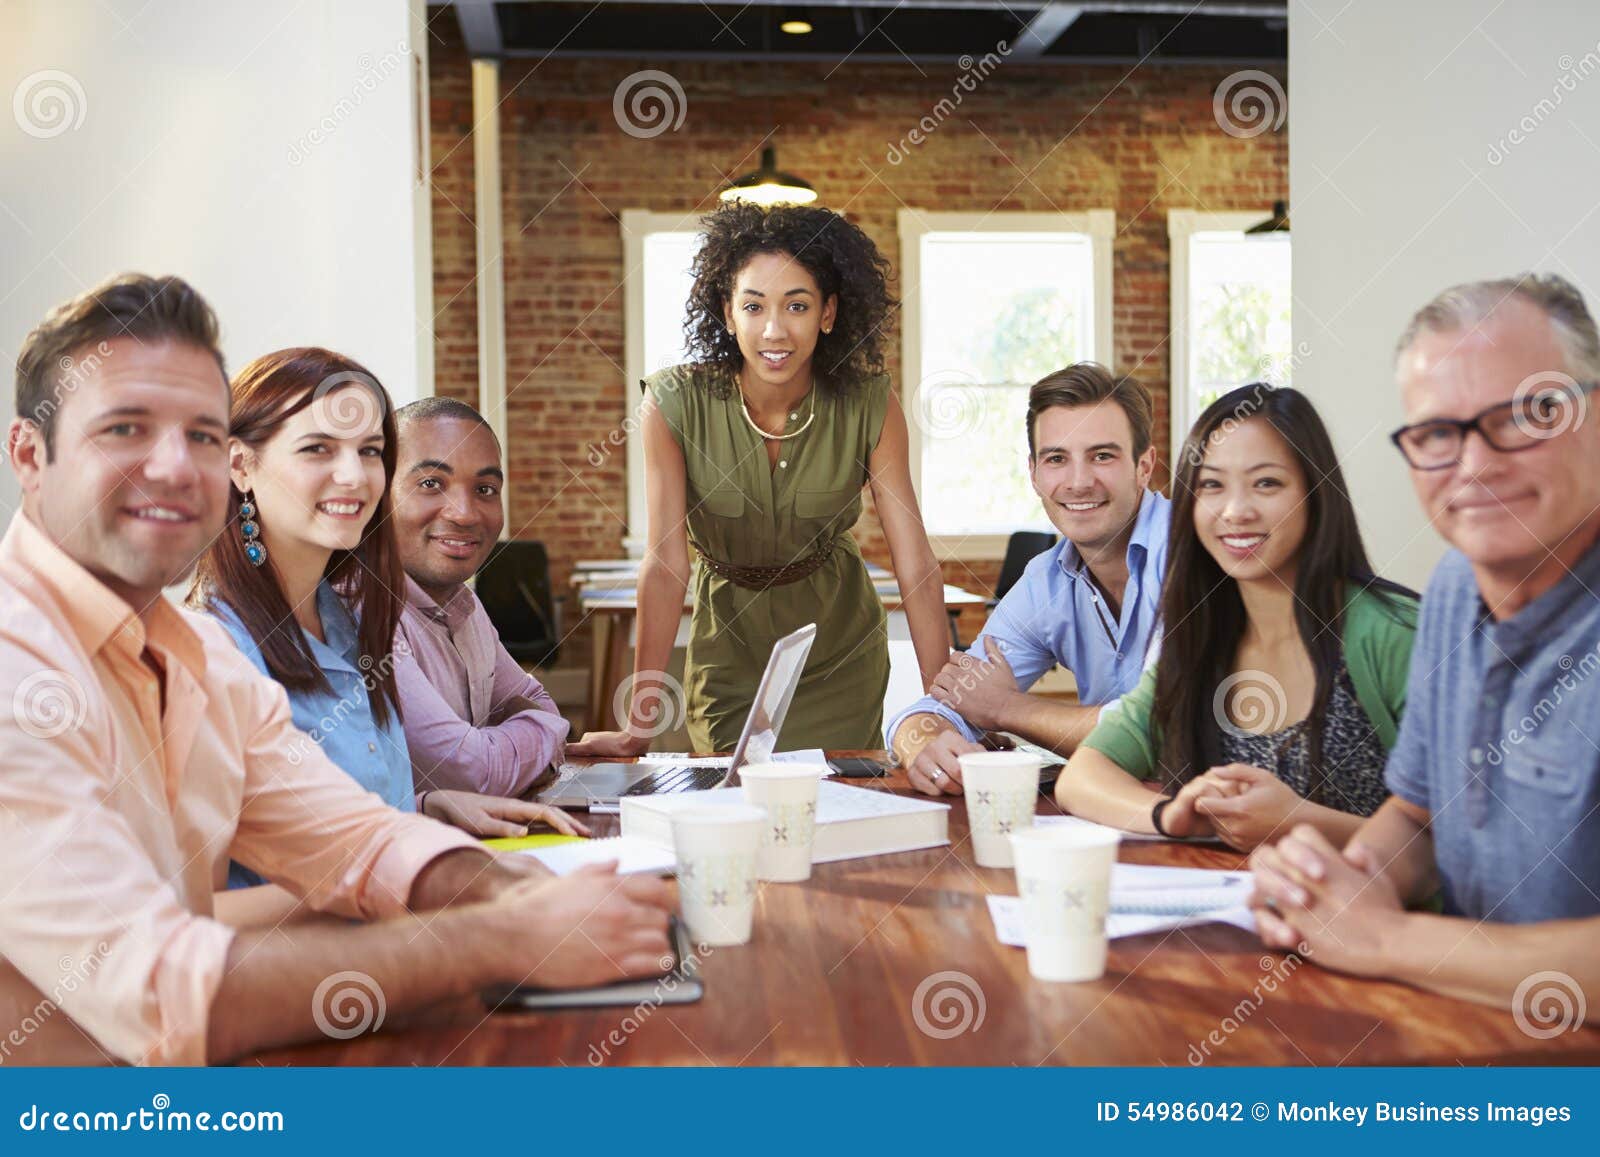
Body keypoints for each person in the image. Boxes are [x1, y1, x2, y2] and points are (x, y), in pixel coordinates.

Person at [0, 274, 672, 1065]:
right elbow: (158, 987)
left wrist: (530, 895)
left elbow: (355, 836)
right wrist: (497, 938)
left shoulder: (194, 652)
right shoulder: (22, 671)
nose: (177, 468)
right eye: (125, 429)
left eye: (204, 435)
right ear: (29, 455)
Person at [1250, 273, 1599, 1021]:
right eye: (1439, 433)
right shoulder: (1450, 587)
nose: (1475, 467)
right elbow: (1419, 816)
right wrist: (1341, 883)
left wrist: (1387, 940)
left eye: (1527, 413)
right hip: (1474, 1033)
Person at [571, 201, 949, 755]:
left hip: (839, 651)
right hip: (729, 650)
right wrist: (639, 728)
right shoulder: (674, 403)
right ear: (728, 314)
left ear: (827, 313)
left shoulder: (871, 403)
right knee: (736, 805)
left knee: (841, 814)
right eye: (754, 306)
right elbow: (665, 562)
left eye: (797, 305)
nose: (774, 330)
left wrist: (946, 710)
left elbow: (914, 561)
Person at [188, 348, 581, 859]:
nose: (354, 476)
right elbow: (200, 906)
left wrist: (424, 806)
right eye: (318, 449)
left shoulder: (349, 622)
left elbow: (341, 811)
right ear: (241, 465)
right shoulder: (214, 652)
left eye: (370, 451)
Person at [1057, 386, 1419, 851]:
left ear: (1315, 491)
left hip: (1377, 918)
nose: (1234, 511)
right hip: (1241, 911)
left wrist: (1296, 823)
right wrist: (1173, 816)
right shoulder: (1202, 637)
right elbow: (1082, 777)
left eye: (1266, 483)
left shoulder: (1397, 634)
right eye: (1211, 485)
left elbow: (1458, 843)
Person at [890, 363, 1172, 796]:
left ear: (1144, 465)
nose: (1078, 482)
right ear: (1035, 474)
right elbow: (950, 701)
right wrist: (922, 744)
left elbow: (1156, 732)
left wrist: (1006, 707)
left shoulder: (1193, 555)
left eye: (1102, 456)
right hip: (1120, 810)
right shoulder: (1048, 581)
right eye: (1057, 459)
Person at [389, 396, 569, 797]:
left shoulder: (465, 606)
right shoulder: (368, 612)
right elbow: (470, 772)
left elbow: (537, 700)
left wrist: (515, 744)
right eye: (431, 483)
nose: (465, 513)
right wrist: (545, 736)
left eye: (485, 489)